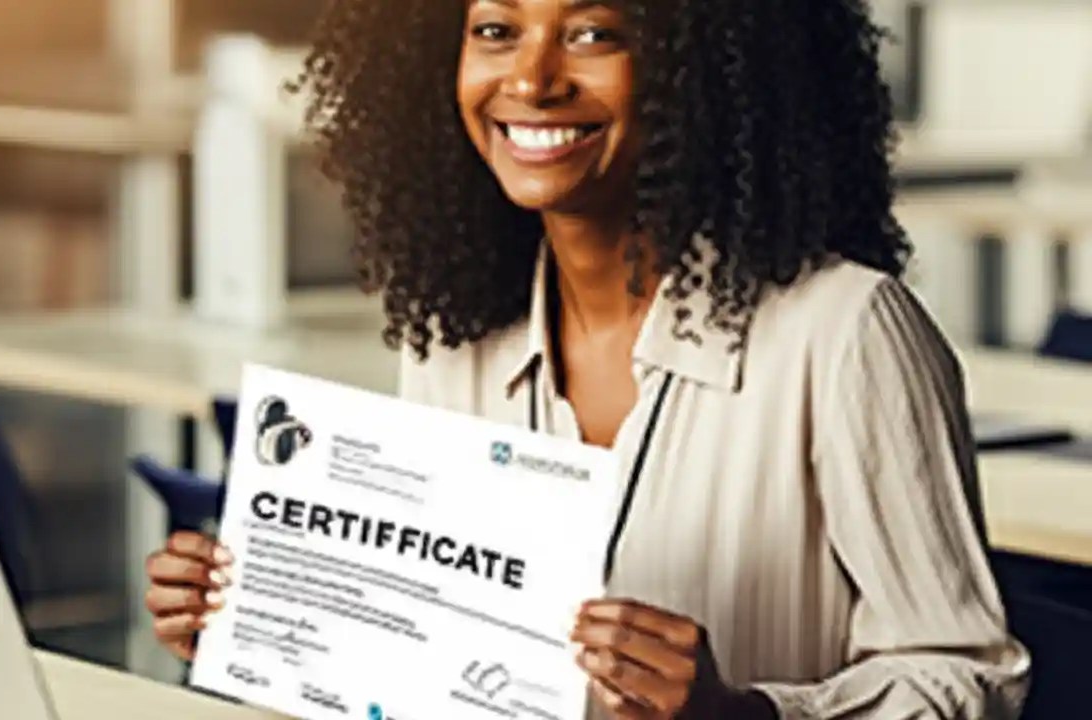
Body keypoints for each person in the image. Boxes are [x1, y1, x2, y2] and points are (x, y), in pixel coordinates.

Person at [143, 0, 1031, 717]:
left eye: (594, 33)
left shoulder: (847, 333)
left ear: (703, 76)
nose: (530, 77)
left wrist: (746, 716)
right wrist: (272, 628)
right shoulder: (453, 338)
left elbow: (971, 677)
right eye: (495, 30)